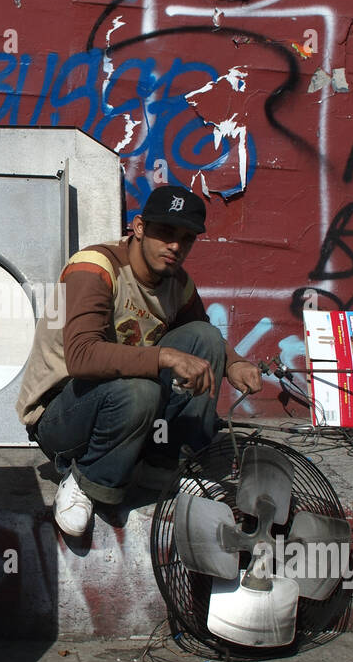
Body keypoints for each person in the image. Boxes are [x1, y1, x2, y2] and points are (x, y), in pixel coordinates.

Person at [15, 185, 263, 537]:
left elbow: (204, 335)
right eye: (165, 233)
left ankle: (164, 465)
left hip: (123, 405)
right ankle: (87, 480)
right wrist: (164, 355)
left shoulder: (177, 283)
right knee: (139, 390)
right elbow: (83, 357)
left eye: (186, 238)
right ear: (140, 228)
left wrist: (234, 362)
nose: (175, 246)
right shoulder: (95, 268)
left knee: (205, 340)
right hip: (61, 415)